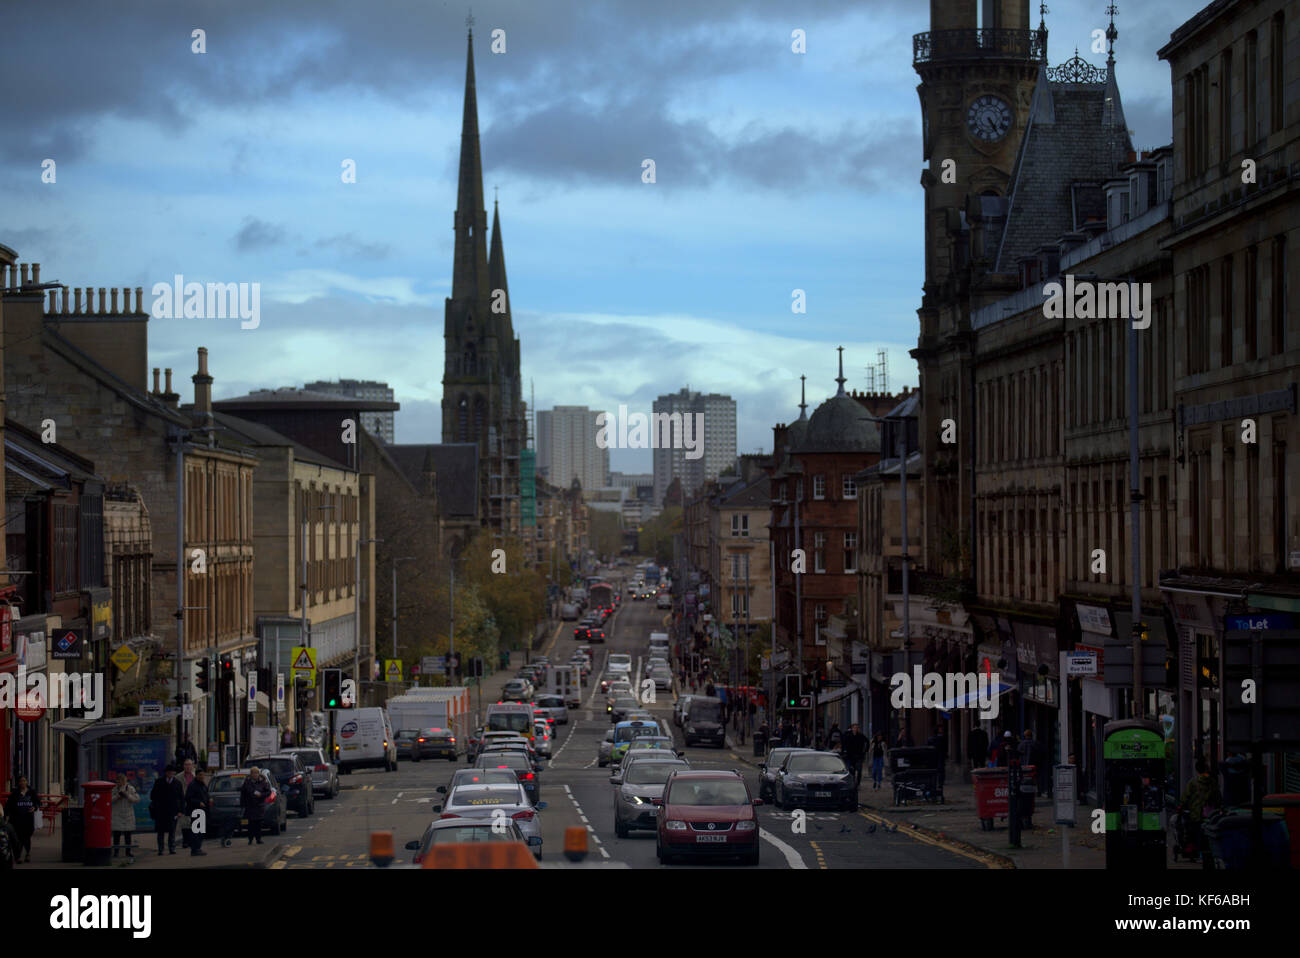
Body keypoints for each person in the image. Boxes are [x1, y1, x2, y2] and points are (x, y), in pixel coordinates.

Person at [149, 765, 184, 855]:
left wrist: (181, 811)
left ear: (174, 773)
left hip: (173, 811)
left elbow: (181, 798)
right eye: (169, 772)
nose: (170, 774)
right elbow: (152, 796)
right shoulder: (159, 782)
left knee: (172, 831)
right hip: (161, 811)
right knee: (160, 831)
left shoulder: (177, 783)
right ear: (166, 773)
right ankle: (161, 849)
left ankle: (171, 848)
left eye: (172, 772)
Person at [3, 775, 37, 864]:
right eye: (21, 781)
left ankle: (27, 853)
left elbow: (37, 802)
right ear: (18, 782)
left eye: (24, 780)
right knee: (18, 837)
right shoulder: (15, 793)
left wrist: (34, 807)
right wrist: (5, 816)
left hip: (28, 818)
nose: (23, 782)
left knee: (27, 836)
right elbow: (8, 805)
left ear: (27, 782)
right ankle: (18, 856)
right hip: (17, 819)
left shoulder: (31, 792)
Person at [240, 766, 272, 845]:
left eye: (256, 773)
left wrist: (261, 795)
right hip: (250, 806)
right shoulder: (247, 783)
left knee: (258, 824)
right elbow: (243, 794)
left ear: (258, 774)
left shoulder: (263, 782)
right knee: (250, 824)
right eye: (253, 773)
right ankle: (250, 839)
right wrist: (243, 805)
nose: (255, 775)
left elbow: (268, 792)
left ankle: (258, 839)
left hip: (259, 806)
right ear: (251, 774)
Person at [111, 772, 140, 858]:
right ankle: (116, 852)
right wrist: (117, 796)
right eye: (117, 781)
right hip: (117, 814)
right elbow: (109, 799)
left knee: (128, 835)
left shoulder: (130, 788)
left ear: (124, 781)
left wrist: (127, 795)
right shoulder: (113, 789)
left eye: (120, 781)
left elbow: (137, 799)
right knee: (116, 835)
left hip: (128, 814)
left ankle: (128, 852)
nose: (119, 783)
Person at [185, 770, 212, 857]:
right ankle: (195, 849)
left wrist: (209, 800)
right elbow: (188, 798)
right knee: (196, 831)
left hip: (203, 811)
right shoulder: (193, 785)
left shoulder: (203, 785)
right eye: (200, 775)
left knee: (201, 832)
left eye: (203, 775)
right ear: (196, 775)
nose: (202, 776)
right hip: (196, 811)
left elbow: (206, 795)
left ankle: (198, 848)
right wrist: (198, 802)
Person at [176, 758, 198, 849]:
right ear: (183, 766)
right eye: (186, 765)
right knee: (184, 822)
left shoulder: (196, 776)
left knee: (193, 822)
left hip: (193, 801)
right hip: (183, 801)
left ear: (192, 766)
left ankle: (192, 841)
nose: (188, 767)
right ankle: (185, 841)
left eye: (189, 765)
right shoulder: (178, 777)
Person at [841, 723, 869, 789]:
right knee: (852, 770)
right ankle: (853, 783)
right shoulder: (848, 736)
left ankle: (858, 783)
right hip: (851, 756)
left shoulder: (860, 736)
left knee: (859, 770)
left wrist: (865, 751)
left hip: (859, 756)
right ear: (852, 728)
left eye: (857, 727)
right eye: (854, 727)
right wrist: (844, 752)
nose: (855, 729)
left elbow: (867, 741)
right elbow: (844, 743)